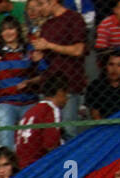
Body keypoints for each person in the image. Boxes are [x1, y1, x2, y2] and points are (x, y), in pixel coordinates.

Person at [0, 16, 44, 147]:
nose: (8, 33)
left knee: (31, 142)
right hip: (6, 102)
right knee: (7, 140)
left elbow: (44, 74)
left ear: (18, 30)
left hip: (29, 101)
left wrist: (30, 81)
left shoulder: (29, 49)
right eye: (4, 30)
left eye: (11, 28)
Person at [30, 0, 87, 135]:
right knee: (50, 132)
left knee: (68, 129)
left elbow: (78, 50)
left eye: (41, 4)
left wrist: (49, 46)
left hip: (69, 83)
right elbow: (46, 59)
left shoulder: (74, 18)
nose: (39, 9)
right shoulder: (46, 26)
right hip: (49, 86)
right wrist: (39, 57)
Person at [15, 72, 68, 167]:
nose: (67, 99)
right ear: (60, 92)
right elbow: (50, 145)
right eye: (66, 94)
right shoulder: (51, 110)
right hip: (37, 165)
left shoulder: (31, 110)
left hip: (22, 164)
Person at [86, 48, 120, 118]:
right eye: (111, 64)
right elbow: (95, 115)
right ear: (105, 66)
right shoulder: (96, 86)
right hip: (104, 127)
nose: (114, 69)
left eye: (119, 65)